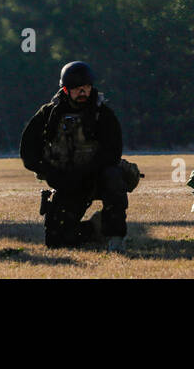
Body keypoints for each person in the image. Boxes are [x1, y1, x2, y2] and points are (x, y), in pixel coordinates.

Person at [20, 61, 129, 252]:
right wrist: (50, 172)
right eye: (78, 89)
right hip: (65, 181)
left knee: (113, 177)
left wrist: (87, 171)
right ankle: (96, 228)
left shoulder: (102, 114)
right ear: (65, 89)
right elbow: (28, 151)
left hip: (96, 178)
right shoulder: (48, 114)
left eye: (86, 88)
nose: (83, 92)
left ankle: (116, 238)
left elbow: (113, 152)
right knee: (57, 241)